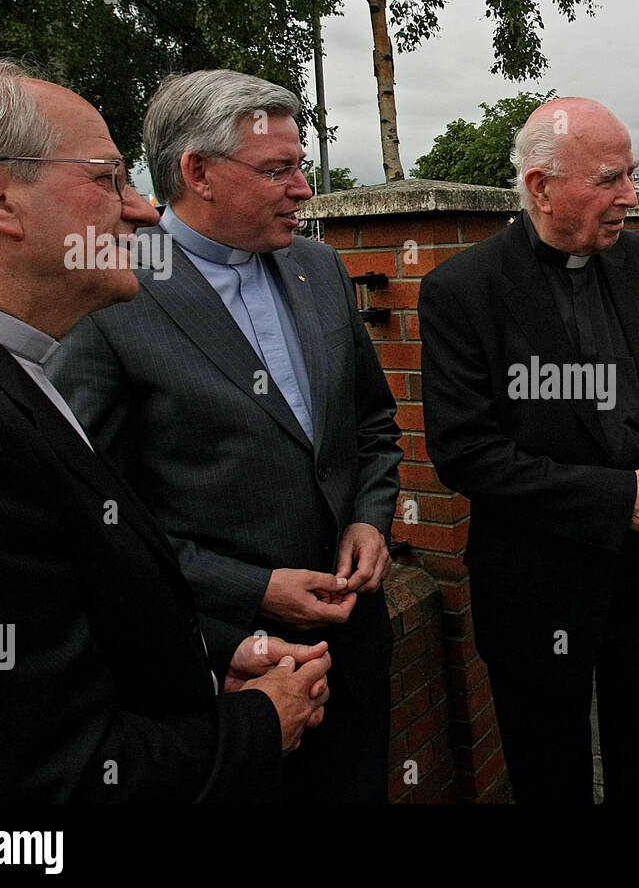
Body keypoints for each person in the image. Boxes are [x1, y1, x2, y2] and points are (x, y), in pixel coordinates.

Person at [0, 61, 331, 802]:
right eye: (108, 180)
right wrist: (258, 724)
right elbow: (36, 783)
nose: (141, 213)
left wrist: (209, 656)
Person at [51, 69, 401, 804]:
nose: (303, 188)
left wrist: (370, 518)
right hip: (232, 670)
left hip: (356, 645)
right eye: (278, 170)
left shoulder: (319, 265)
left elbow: (371, 422)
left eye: (300, 163)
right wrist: (254, 590)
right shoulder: (112, 293)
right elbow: (96, 516)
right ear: (197, 172)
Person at [419, 97, 639, 803]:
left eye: (634, 175)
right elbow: (466, 454)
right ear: (540, 188)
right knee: (551, 777)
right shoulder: (461, 291)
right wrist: (621, 498)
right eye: (610, 179)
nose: (631, 196)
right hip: (539, 587)